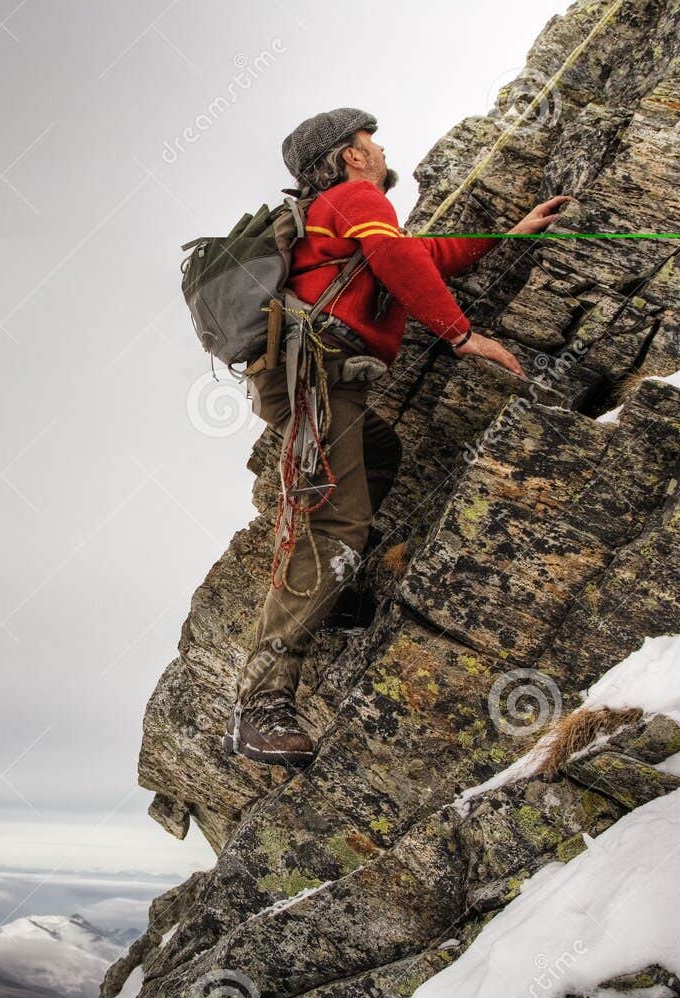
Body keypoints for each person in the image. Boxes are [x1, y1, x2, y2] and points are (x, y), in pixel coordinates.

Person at [226, 106, 571, 767]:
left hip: (312, 379)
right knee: (331, 527)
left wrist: (510, 234)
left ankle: (334, 592)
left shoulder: (336, 213)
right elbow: (396, 256)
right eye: (371, 142)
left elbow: (418, 255)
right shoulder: (353, 198)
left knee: (381, 451)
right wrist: (461, 335)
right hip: (320, 379)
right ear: (351, 156)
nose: (381, 152)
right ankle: (260, 706)